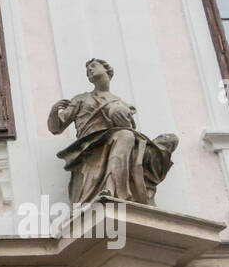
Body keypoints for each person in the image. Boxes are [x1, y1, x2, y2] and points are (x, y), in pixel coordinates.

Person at [48, 59, 177, 207]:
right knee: (125, 135)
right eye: (87, 69)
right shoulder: (81, 99)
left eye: (93, 66)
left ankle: (114, 188)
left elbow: (128, 128)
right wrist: (54, 112)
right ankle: (113, 190)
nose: (89, 70)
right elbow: (56, 128)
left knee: (141, 137)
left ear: (108, 70)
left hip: (114, 140)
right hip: (89, 144)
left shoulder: (122, 104)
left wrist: (121, 117)